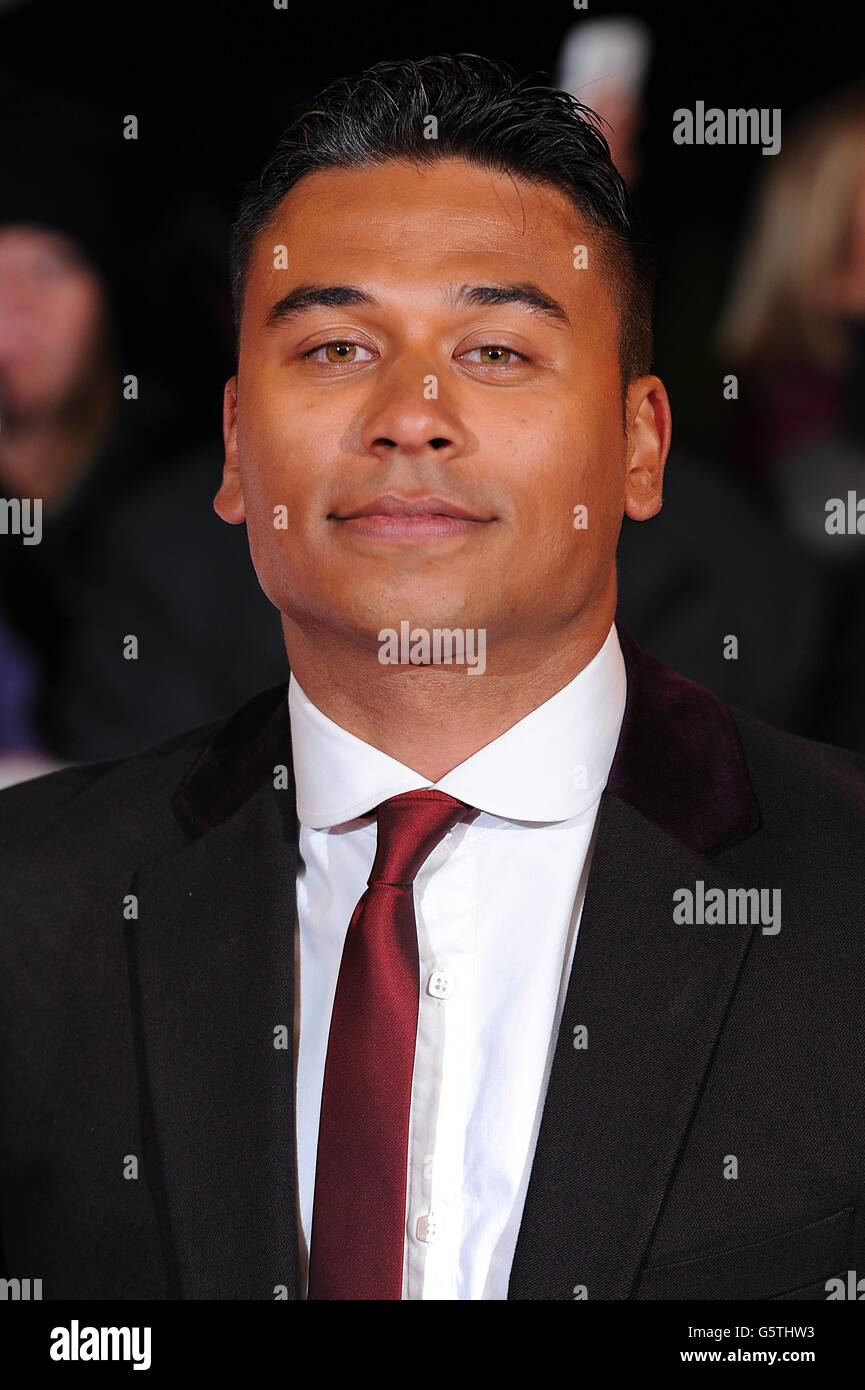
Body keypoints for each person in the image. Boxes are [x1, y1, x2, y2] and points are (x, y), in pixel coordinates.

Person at [1, 54, 863, 1302]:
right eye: (341, 345)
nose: (414, 413)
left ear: (638, 444)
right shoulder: (32, 906)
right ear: (237, 448)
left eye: (498, 352)